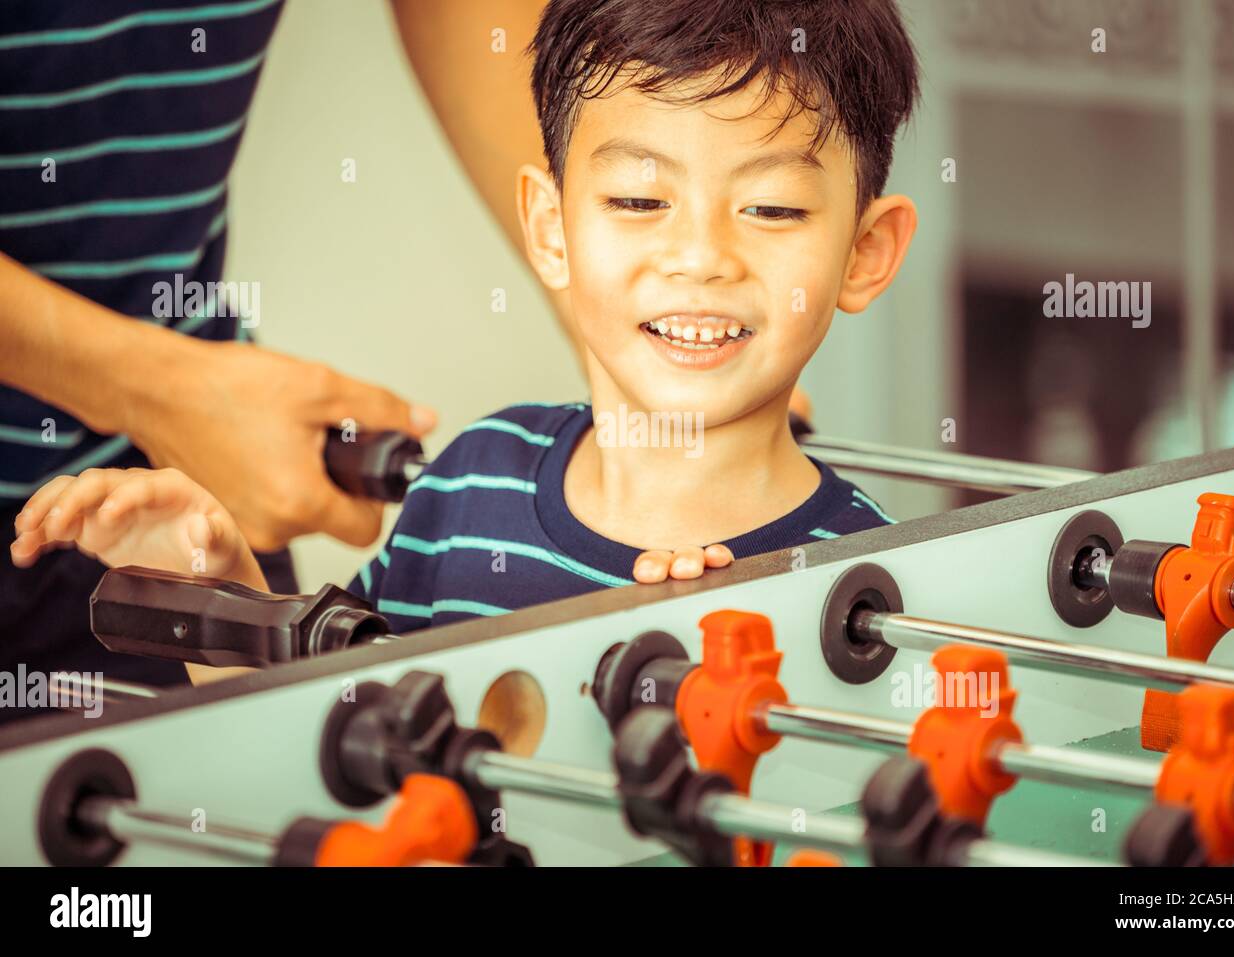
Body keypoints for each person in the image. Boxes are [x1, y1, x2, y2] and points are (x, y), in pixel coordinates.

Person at [10, 0, 919, 685]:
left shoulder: (867, 587)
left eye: (771, 208)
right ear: (552, 227)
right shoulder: (468, 484)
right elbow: (313, 754)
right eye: (639, 200)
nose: (698, 258)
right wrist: (211, 581)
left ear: (864, 253)